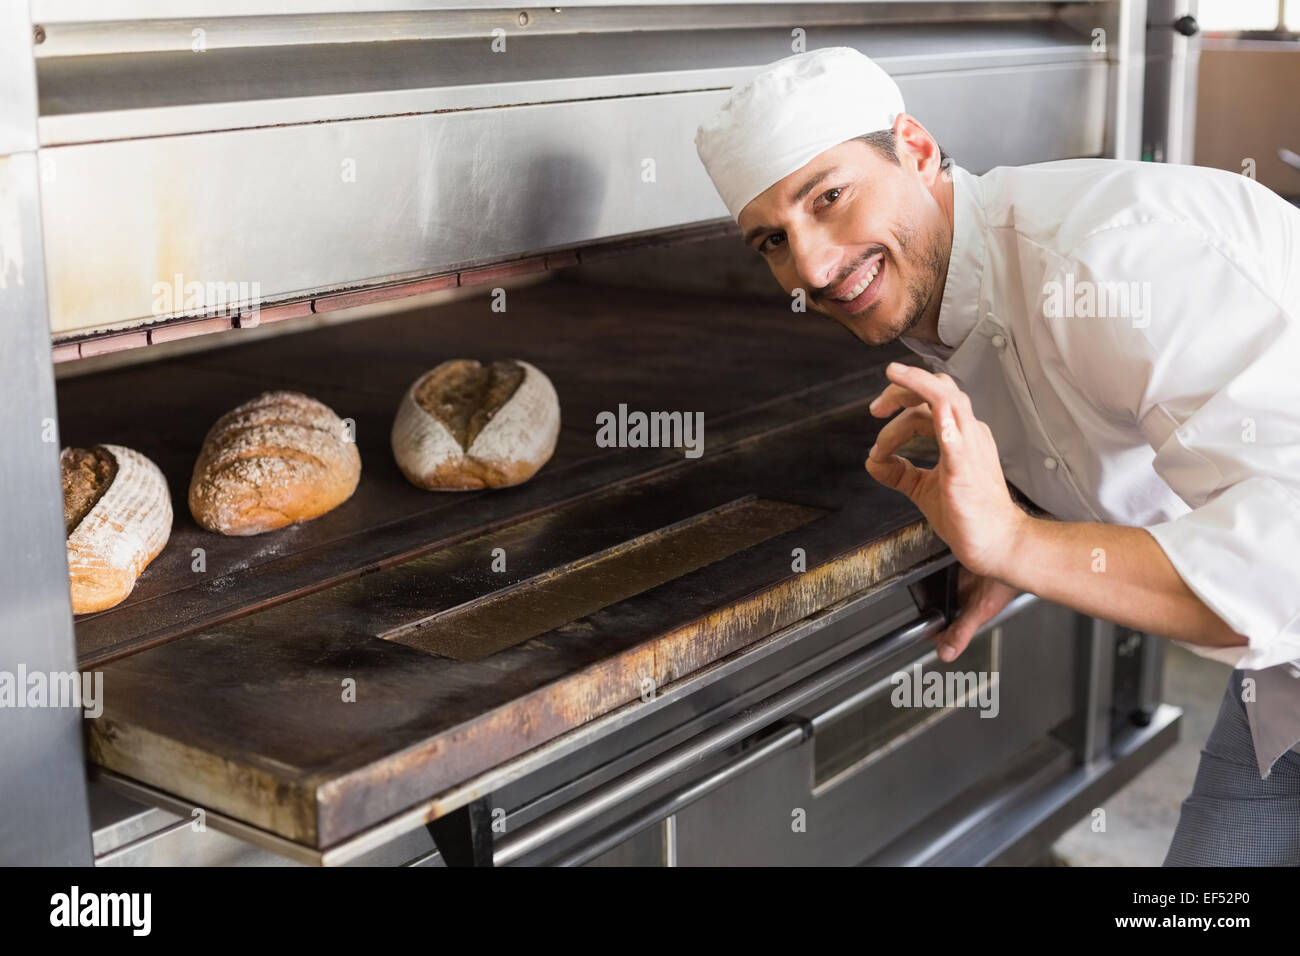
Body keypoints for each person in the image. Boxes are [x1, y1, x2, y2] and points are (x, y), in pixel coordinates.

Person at [694, 46, 1300, 865]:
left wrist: (1018, 543)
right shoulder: (937, 284)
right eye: (772, 240)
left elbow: (1283, 570)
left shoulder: (1115, 262)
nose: (811, 266)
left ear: (914, 146)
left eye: (829, 198)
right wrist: (1030, 524)